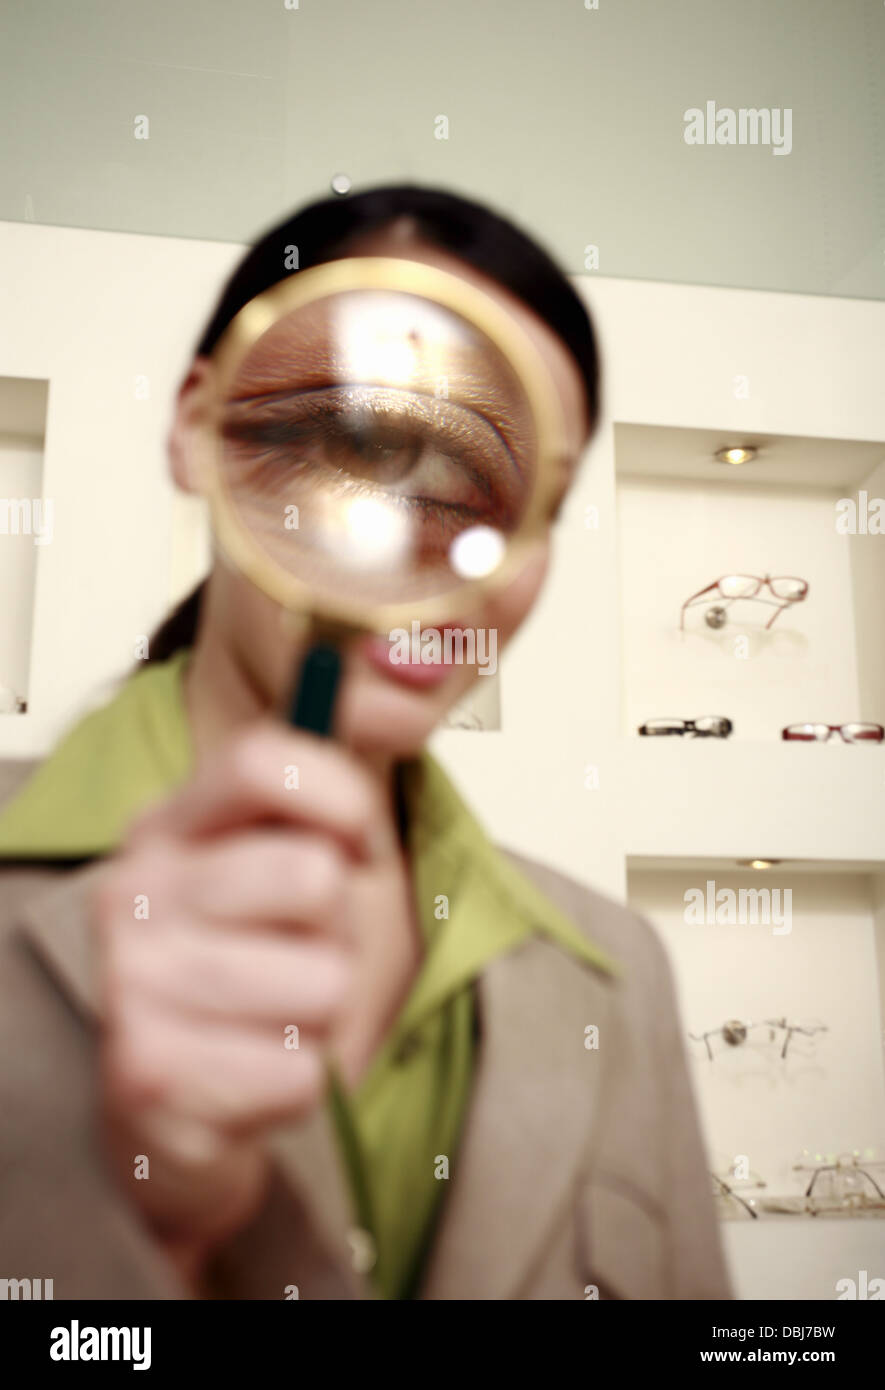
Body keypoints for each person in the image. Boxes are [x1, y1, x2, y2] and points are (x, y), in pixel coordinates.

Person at [0, 185, 732, 1301]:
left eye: (537, 493)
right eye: (366, 440)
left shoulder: (620, 976)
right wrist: (159, 1227)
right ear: (200, 428)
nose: (465, 560)